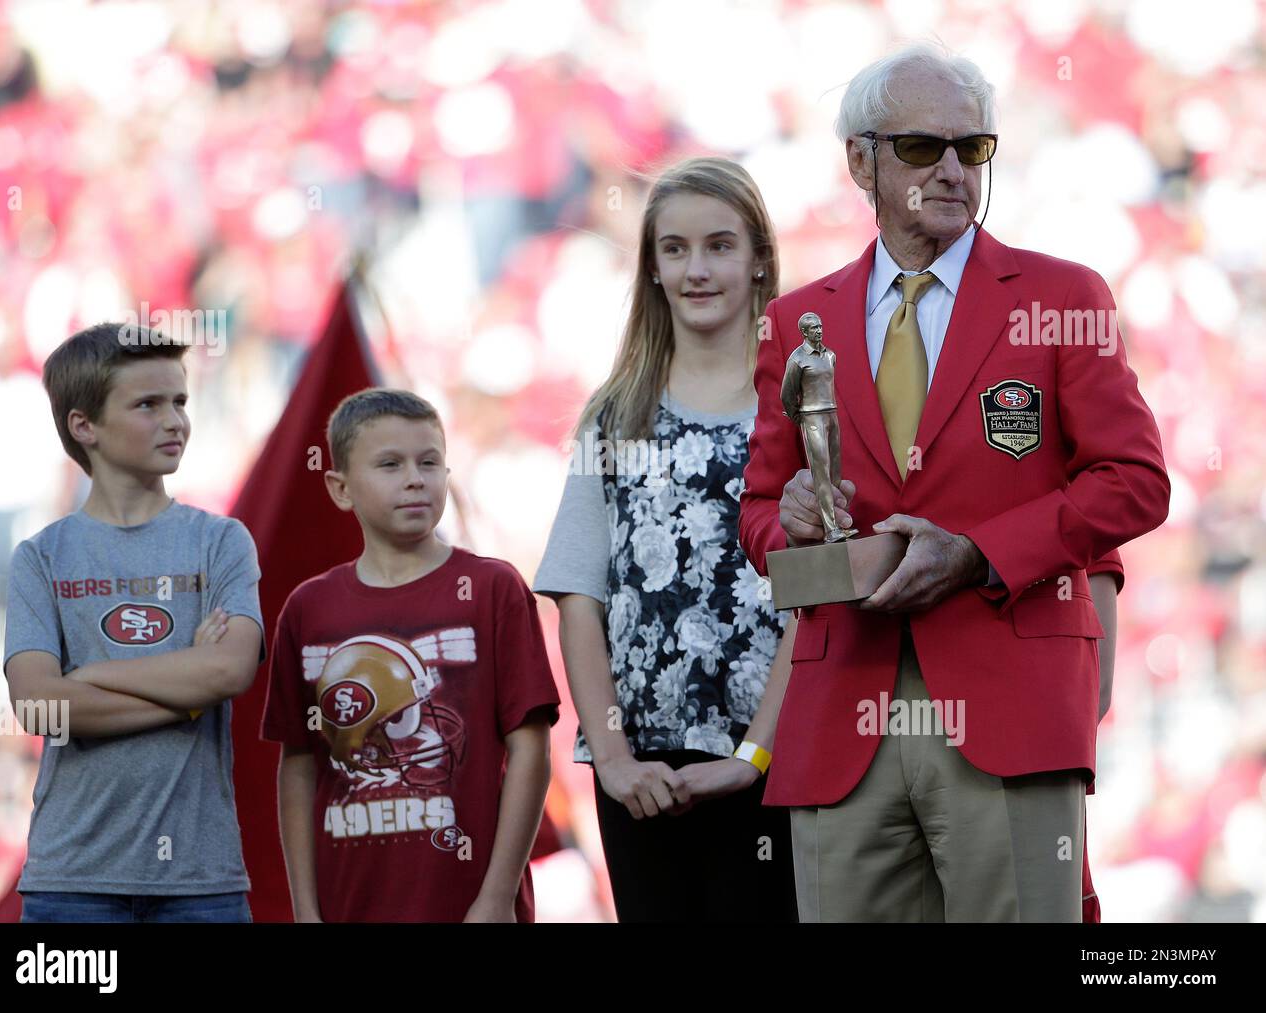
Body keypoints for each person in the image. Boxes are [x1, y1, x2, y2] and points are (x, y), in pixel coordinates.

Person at [739, 44, 1169, 922]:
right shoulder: (796, 319)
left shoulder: (1064, 294)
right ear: (860, 159)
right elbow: (759, 512)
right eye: (921, 147)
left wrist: (978, 554)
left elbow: (1136, 481)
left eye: (971, 149)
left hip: (1009, 702)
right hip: (840, 710)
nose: (949, 169)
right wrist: (793, 529)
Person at [533, 156, 798, 922]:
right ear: (651, 267)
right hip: (642, 776)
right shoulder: (616, 415)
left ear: (759, 262)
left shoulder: (801, 406)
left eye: (719, 245)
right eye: (674, 249)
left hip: (774, 764)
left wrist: (753, 758)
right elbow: (578, 595)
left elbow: (816, 600)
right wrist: (613, 759)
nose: (697, 268)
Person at [261, 388, 559, 922]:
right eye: (390, 464)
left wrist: (496, 896)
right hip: (350, 902)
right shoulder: (309, 608)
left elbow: (531, 749)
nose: (415, 478)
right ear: (340, 488)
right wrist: (306, 911)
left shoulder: (492, 587)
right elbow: (299, 764)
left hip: (468, 905)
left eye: (430, 462)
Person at [3, 322, 265, 923]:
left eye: (180, 401)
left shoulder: (221, 542)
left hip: (202, 882)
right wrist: (187, 695)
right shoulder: (40, 558)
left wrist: (90, 675)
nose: (175, 420)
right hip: (71, 881)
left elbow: (228, 669)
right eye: (148, 404)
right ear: (84, 425)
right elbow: (42, 708)